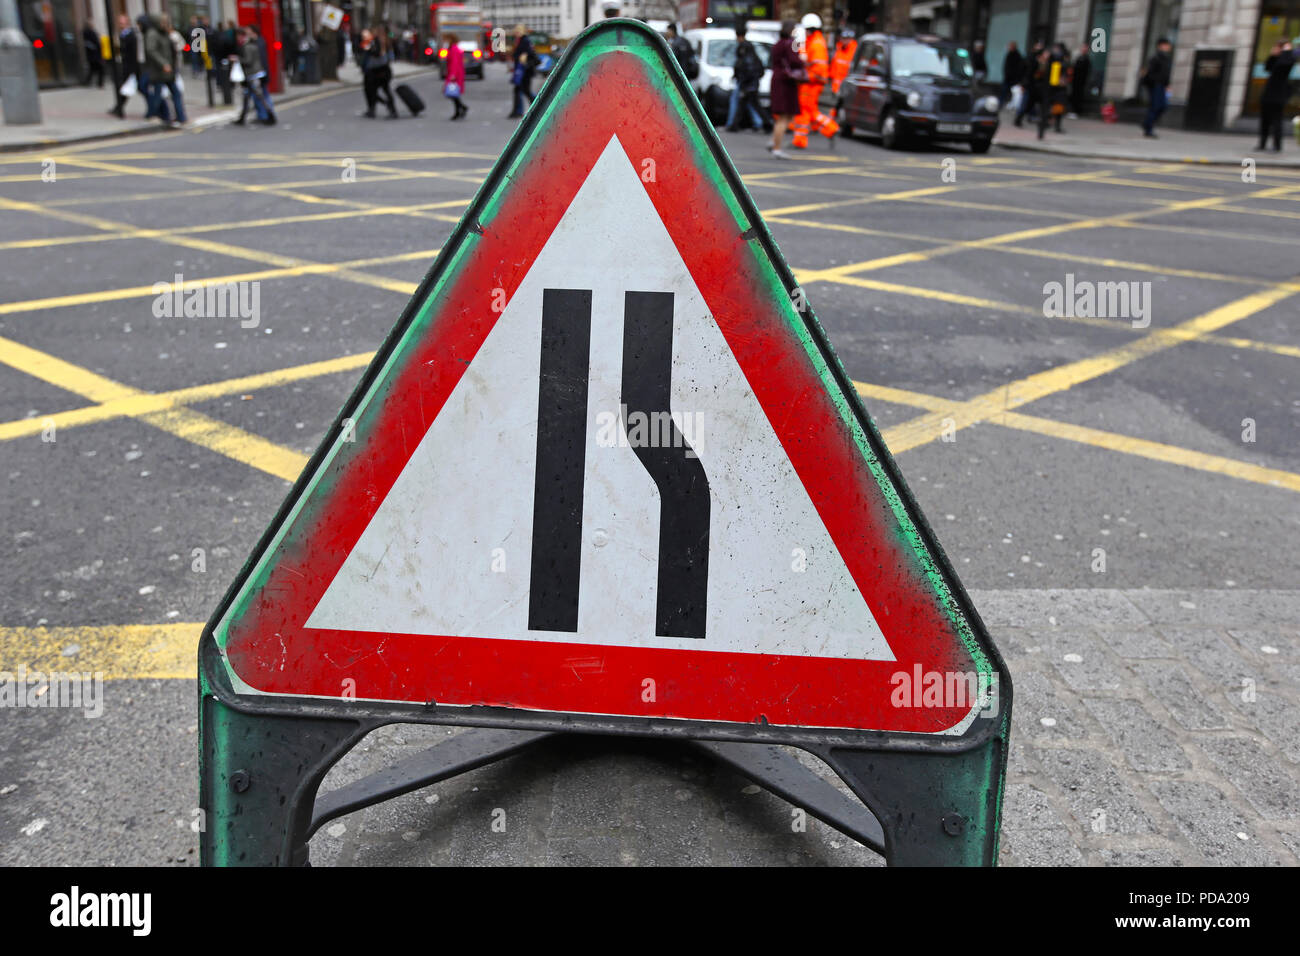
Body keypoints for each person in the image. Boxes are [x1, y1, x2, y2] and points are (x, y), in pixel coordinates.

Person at [790, 13, 837, 149]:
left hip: (811, 84)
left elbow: (819, 70)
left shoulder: (816, 44)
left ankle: (800, 140)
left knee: (804, 111)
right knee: (809, 111)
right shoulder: (813, 41)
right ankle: (830, 129)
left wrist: (804, 77)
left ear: (809, 29)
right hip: (810, 83)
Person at [768, 19, 803, 159]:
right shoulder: (791, 44)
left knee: (786, 115)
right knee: (784, 116)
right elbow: (795, 61)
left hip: (778, 79)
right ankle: (776, 147)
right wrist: (803, 59)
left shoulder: (777, 45)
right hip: (786, 82)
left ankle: (774, 141)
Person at [144, 13, 186, 127]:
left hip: (169, 71)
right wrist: (164, 64)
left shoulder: (165, 33)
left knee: (176, 93)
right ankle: (153, 115)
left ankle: (181, 117)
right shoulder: (152, 34)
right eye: (163, 22)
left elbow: (176, 47)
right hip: (159, 71)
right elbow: (151, 50)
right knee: (158, 94)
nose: (165, 24)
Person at [232, 26, 276, 125]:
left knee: (259, 96)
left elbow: (248, 61)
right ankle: (243, 118)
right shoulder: (253, 44)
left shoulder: (248, 46)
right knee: (249, 96)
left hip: (253, 75)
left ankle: (269, 115)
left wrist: (237, 59)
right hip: (254, 74)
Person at [1259, 39, 1296, 152]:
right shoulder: (1277, 59)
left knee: (1277, 122)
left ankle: (1277, 146)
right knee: (1265, 121)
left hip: (1279, 96)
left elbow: (1285, 65)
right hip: (1268, 95)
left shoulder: (1287, 59)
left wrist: (1286, 51)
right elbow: (1267, 67)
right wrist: (1273, 55)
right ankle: (1262, 144)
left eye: (1279, 47)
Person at [726, 26, 765, 132]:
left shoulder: (743, 48)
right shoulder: (750, 47)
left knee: (737, 101)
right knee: (750, 103)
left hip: (745, 80)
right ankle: (758, 123)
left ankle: (732, 123)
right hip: (750, 80)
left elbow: (743, 65)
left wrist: (740, 76)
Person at [358, 28, 398, 118]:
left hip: (377, 70)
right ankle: (391, 109)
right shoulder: (386, 42)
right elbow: (391, 57)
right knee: (383, 90)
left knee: (373, 91)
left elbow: (376, 53)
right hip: (384, 70)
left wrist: (369, 49)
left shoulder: (377, 42)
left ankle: (377, 109)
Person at [1140, 37, 1173, 137]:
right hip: (1156, 85)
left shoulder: (1165, 58)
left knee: (1162, 106)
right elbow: (1149, 72)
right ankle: (1148, 128)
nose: (1169, 47)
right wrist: (1156, 83)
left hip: (1161, 85)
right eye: (1167, 45)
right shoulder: (1156, 58)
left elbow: (1165, 74)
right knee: (1156, 106)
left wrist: (1167, 85)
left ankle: (1147, 123)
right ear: (1161, 46)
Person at [108, 14, 138, 118]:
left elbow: (133, 53)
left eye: (122, 22)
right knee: (124, 88)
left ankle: (119, 108)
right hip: (123, 66)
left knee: (132, 88)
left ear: (127, 22)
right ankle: (118, 108)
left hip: (130, 67)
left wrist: (134, 69)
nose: (120, 24)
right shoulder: (122, 34)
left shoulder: (131, 35)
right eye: (119, 22)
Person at [508, 24, 536, 118]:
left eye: (518, 30)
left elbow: (528, 54)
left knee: (523, 90)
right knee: (522, 90)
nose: (516, 32)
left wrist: (521, 57)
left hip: (524, 71)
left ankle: (535, 106)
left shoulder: (524, 41)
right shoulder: (521, 41)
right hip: (522, 70)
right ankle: (520, 110)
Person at [443, 32, 468, 120]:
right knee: (453, 94)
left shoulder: (453, 49)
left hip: (455, 74)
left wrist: (453, 75)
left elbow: (455, 63)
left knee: (452, 93)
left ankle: (459, 110)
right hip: (455, 73)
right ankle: (461, 109)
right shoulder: (453, 48)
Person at [829, 26, 856, 95]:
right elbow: (834, 64)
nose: (844, 40)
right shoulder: (839, 48)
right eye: (843, 38)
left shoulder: (854, 50)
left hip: (847, 87)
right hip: (835, 86)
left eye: (846, 39)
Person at [1070, 43, 1092, 117]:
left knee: (1079, 96)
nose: (1083, 49)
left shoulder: (1086, 59)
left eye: (1085, 48)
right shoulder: (1079, 57)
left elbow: (1086, 71)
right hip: (1075, 81)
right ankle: (1073, 110)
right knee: (1074, 95)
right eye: (1082, 48)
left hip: (1081, 81)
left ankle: (1077, 111)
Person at [1001, 40, 1023, 108]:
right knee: (1005, 91)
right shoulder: (1009, 54)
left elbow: (1017, 67)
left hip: (1013, 78)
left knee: (1013, 92)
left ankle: (1009, 104)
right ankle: (1002, 103)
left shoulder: (1016, 55)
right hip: (1008, 77)